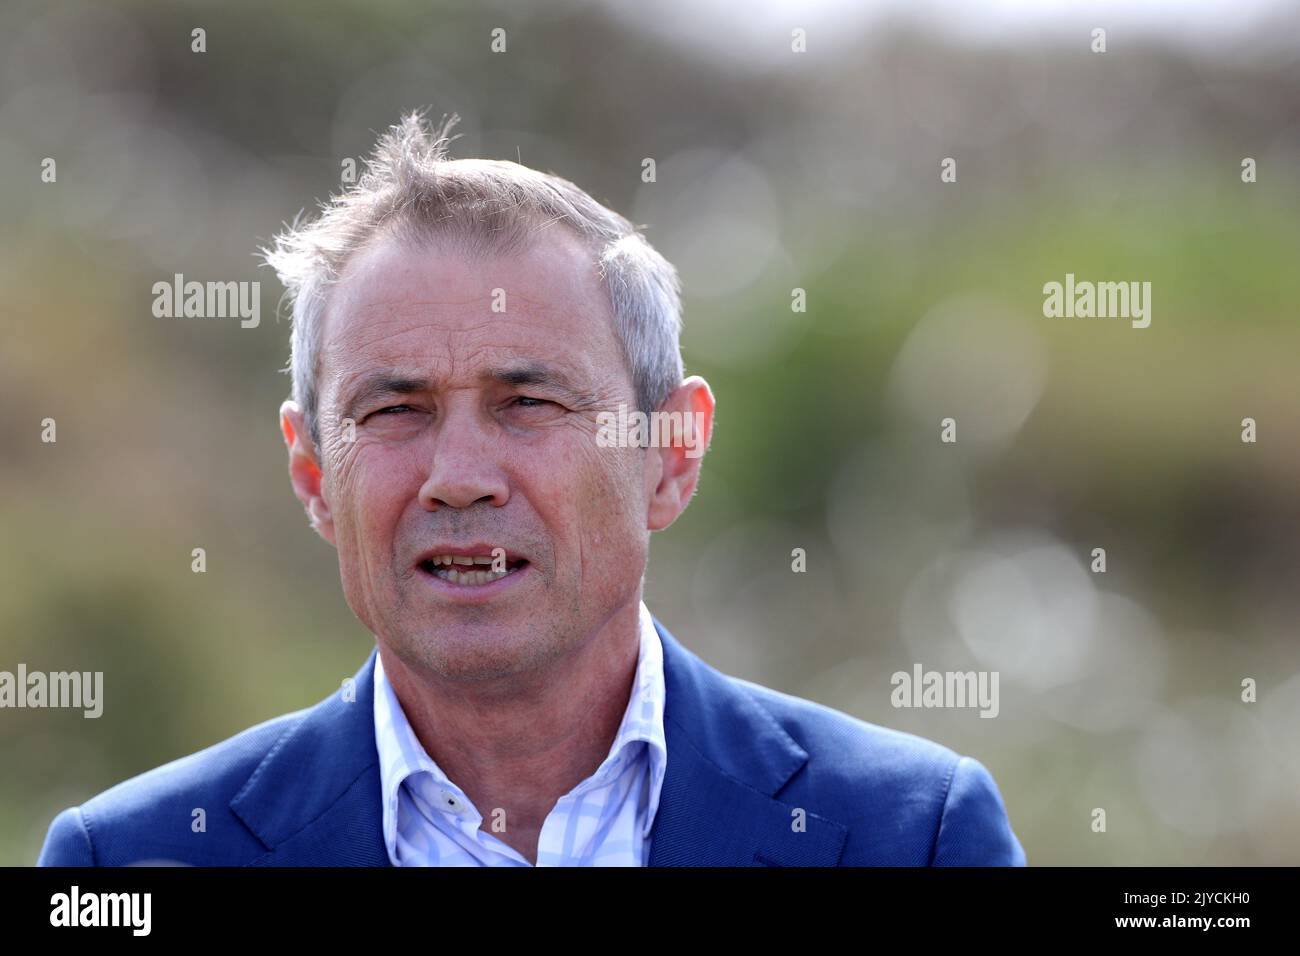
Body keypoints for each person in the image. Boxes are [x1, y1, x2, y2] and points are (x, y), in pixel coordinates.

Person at [38, 112, 1025, 867]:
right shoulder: (127, 859)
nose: (459, 476)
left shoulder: (908, 834)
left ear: (671, 452)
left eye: (527, 401)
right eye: (395, 410)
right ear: (311, 475)